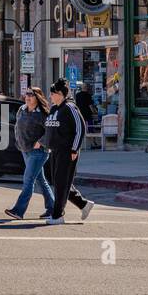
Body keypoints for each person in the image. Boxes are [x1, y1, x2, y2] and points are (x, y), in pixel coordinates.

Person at [43, 79, 95, 224]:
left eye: (53, 93)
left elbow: (80, 128)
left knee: (60, 182)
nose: (51, 96)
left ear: (60, 94)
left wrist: (74, 148)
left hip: (67, 151)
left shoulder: (70, 107)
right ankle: (83, 204)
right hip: (54, 151)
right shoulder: (54, 109)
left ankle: (57, 215)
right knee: (54, 179)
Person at [4, 87, 55, 220]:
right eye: (26, 94)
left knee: (28, 180)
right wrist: (19, 142)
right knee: (41, 180)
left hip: (39, 152)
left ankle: (18, 211)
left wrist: (41, 142)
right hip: (25, 150)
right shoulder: (22, 110)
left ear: (37, 97)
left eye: (31, 95)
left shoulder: (43, 114)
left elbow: (51, 132)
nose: (28, 97)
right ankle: (52, 208)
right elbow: (17, 127)